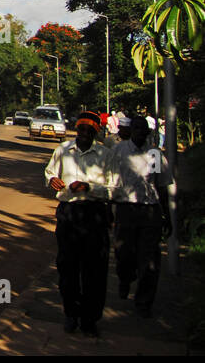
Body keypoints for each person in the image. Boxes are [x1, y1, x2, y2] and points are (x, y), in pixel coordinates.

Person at [45, 115, 117, 336]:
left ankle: (90, 318)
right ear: (76, 131)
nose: (84, 135)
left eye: (89, 132)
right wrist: (51, 181)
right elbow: (49, 172)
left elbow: (115, 189)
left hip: (94, 214)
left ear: (95, 134)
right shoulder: (63, 150)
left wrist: (89, 188)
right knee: (67, 267)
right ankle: (71, 314)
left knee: (94, 270)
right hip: (69, 214)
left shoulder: (106, 155)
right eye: (81, 131)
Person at [111, 115, 172, 318]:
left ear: (147, 132)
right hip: (125, 209)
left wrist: (167, 215)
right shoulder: (119, 151)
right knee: (123, 254)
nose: (138, 131)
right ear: (130, 130)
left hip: (149, 211)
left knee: (149, 262)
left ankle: (144, 303)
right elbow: (109, 181)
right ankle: (125, 278)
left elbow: (162, 186)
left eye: (142, 128)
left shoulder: (154, 154)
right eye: (135, 127)